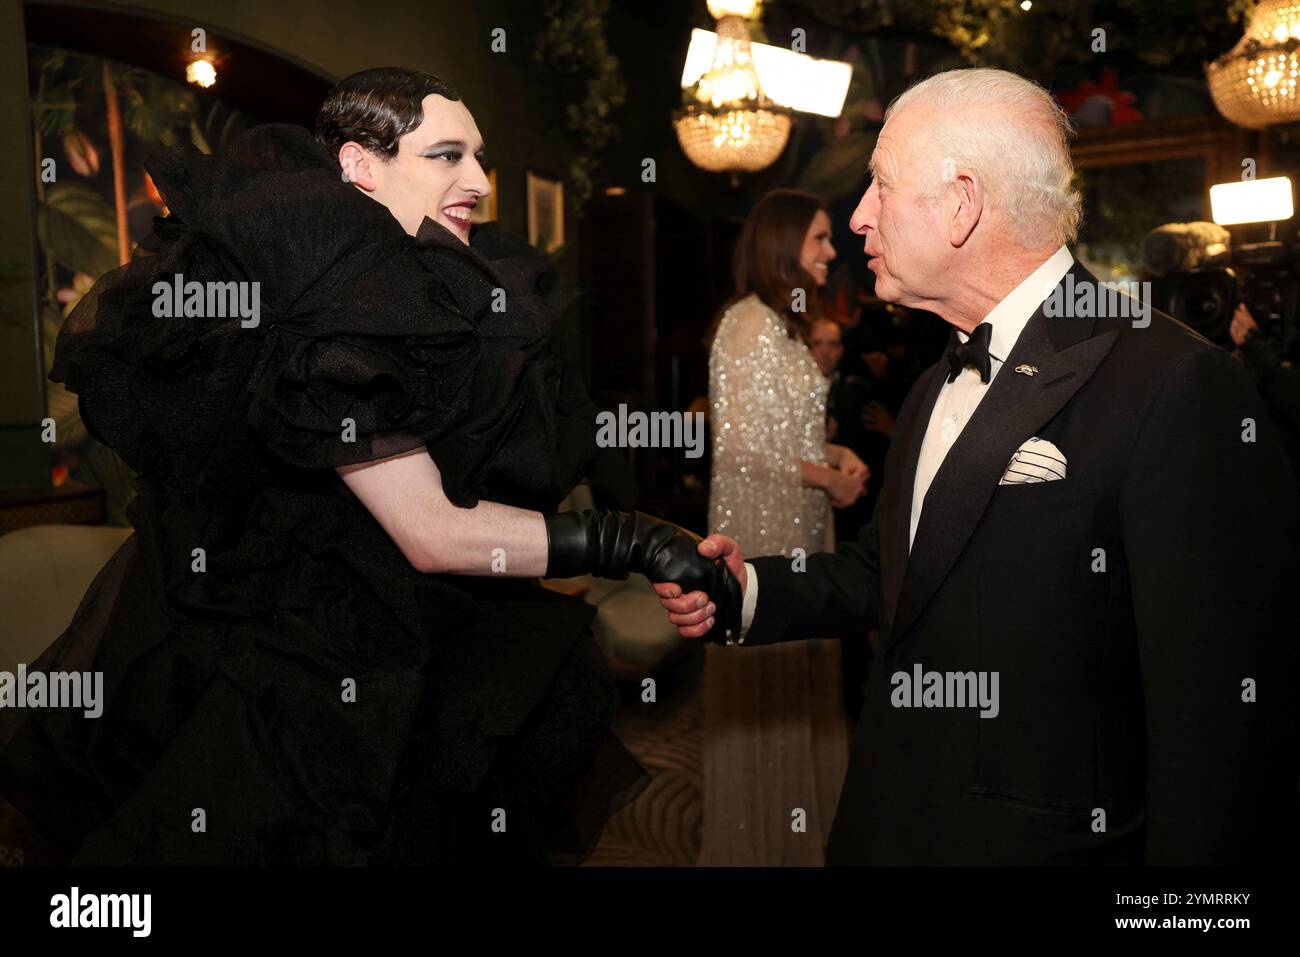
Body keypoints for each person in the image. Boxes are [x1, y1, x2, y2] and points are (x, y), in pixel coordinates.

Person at [0, 67, 739, 866]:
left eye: (481, 157)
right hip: (310, 671)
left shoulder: (443, 283)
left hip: (418, 642)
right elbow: (431, 531)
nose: (481, 182)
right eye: (447, 156)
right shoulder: (324, 296)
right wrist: (629, 541)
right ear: (358, 165)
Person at [658, 68, 1298, 865]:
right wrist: (747, 590)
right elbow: (896, 570)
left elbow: (1219, 719)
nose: (859, 218)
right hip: (886, 820)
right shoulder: (933, 386)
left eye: (880, 186)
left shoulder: (1175, 382)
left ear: (960, 203)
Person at [702, 189, 867, 865]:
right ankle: (760, 841)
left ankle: (806, 826)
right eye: (821, 239)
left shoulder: (793, 322)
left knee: (805, 675)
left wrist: (835, 454)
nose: (833, 251)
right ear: (783, 243)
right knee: (766, 676)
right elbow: (738, 447)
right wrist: (828, 477)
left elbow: (788, 432)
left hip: (801, 519)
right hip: (759, 526)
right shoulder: (745, 323)